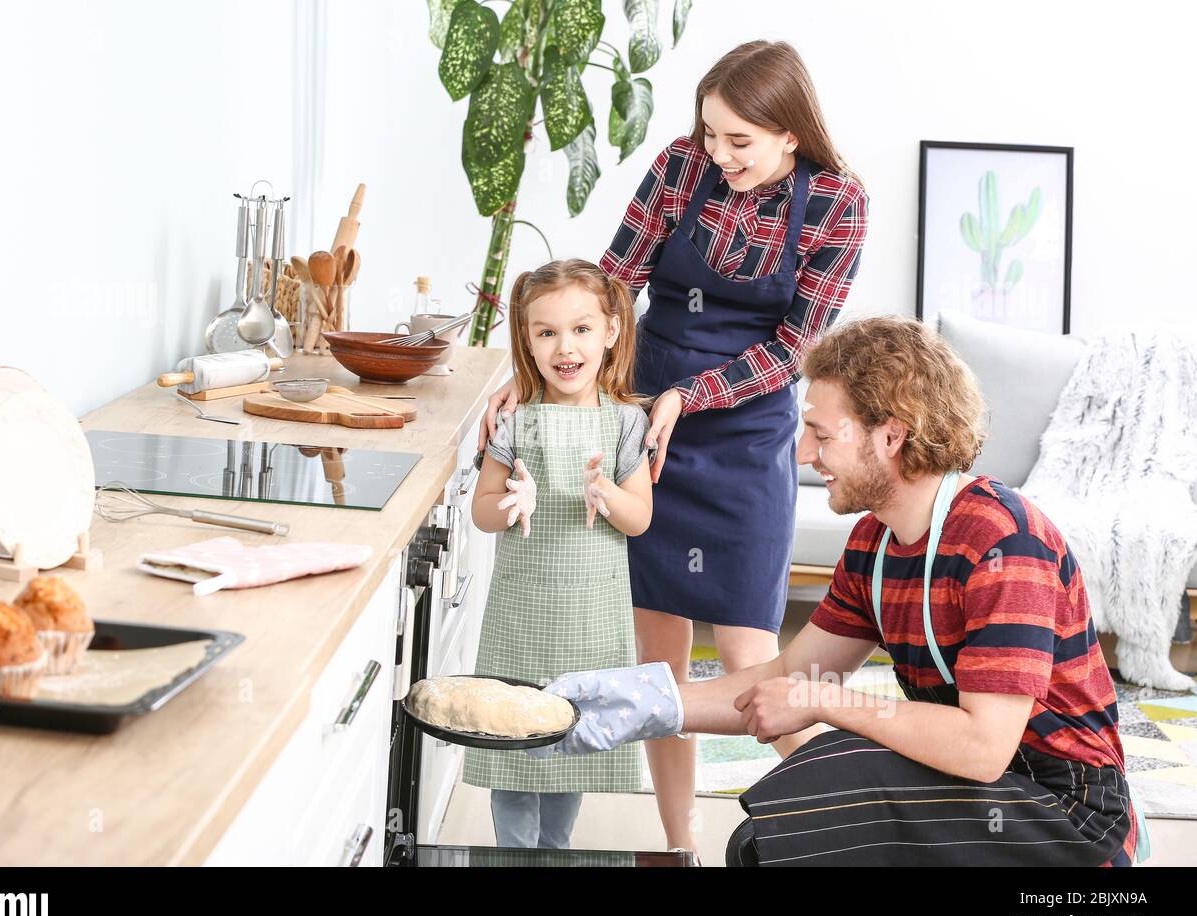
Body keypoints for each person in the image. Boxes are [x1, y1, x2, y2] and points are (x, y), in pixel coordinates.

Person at [537, 316, 1142, 866]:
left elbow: (983, 747)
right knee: (767, 832)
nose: (803, 454)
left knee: (791, 825)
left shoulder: (1003, 543)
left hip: (1069, 814)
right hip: (980, 788)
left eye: (821, 436)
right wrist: (642, 703)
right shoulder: (874, 544)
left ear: (890, 436)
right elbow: (788, 674)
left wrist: (828, 703)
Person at [480, 39, 869, 856]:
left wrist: (692, 395)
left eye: (739, 141)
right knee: (659, 667)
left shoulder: (838, 202)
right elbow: (615, 280)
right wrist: (534, 367)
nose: (717, 155)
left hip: (742, 432)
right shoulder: (683, 166)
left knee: (749, 651)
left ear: (790, 133)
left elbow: (796, 346)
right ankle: (677, 842)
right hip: (640, 421)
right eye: (709, 134)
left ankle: (836, 835)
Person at [463, 259, 655, 850]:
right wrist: (514, 501)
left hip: (589, 622)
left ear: (611, 331)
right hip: (521, 617)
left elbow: (640, 518)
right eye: (545, 332)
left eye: (580, 329)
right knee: (515, 743)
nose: (564, 347)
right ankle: (515, 856)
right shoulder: (515, 422)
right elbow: (482, 510)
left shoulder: (626, 423)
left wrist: (608, 493)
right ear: (526, 339)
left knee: (571, 742)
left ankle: (556, 853)